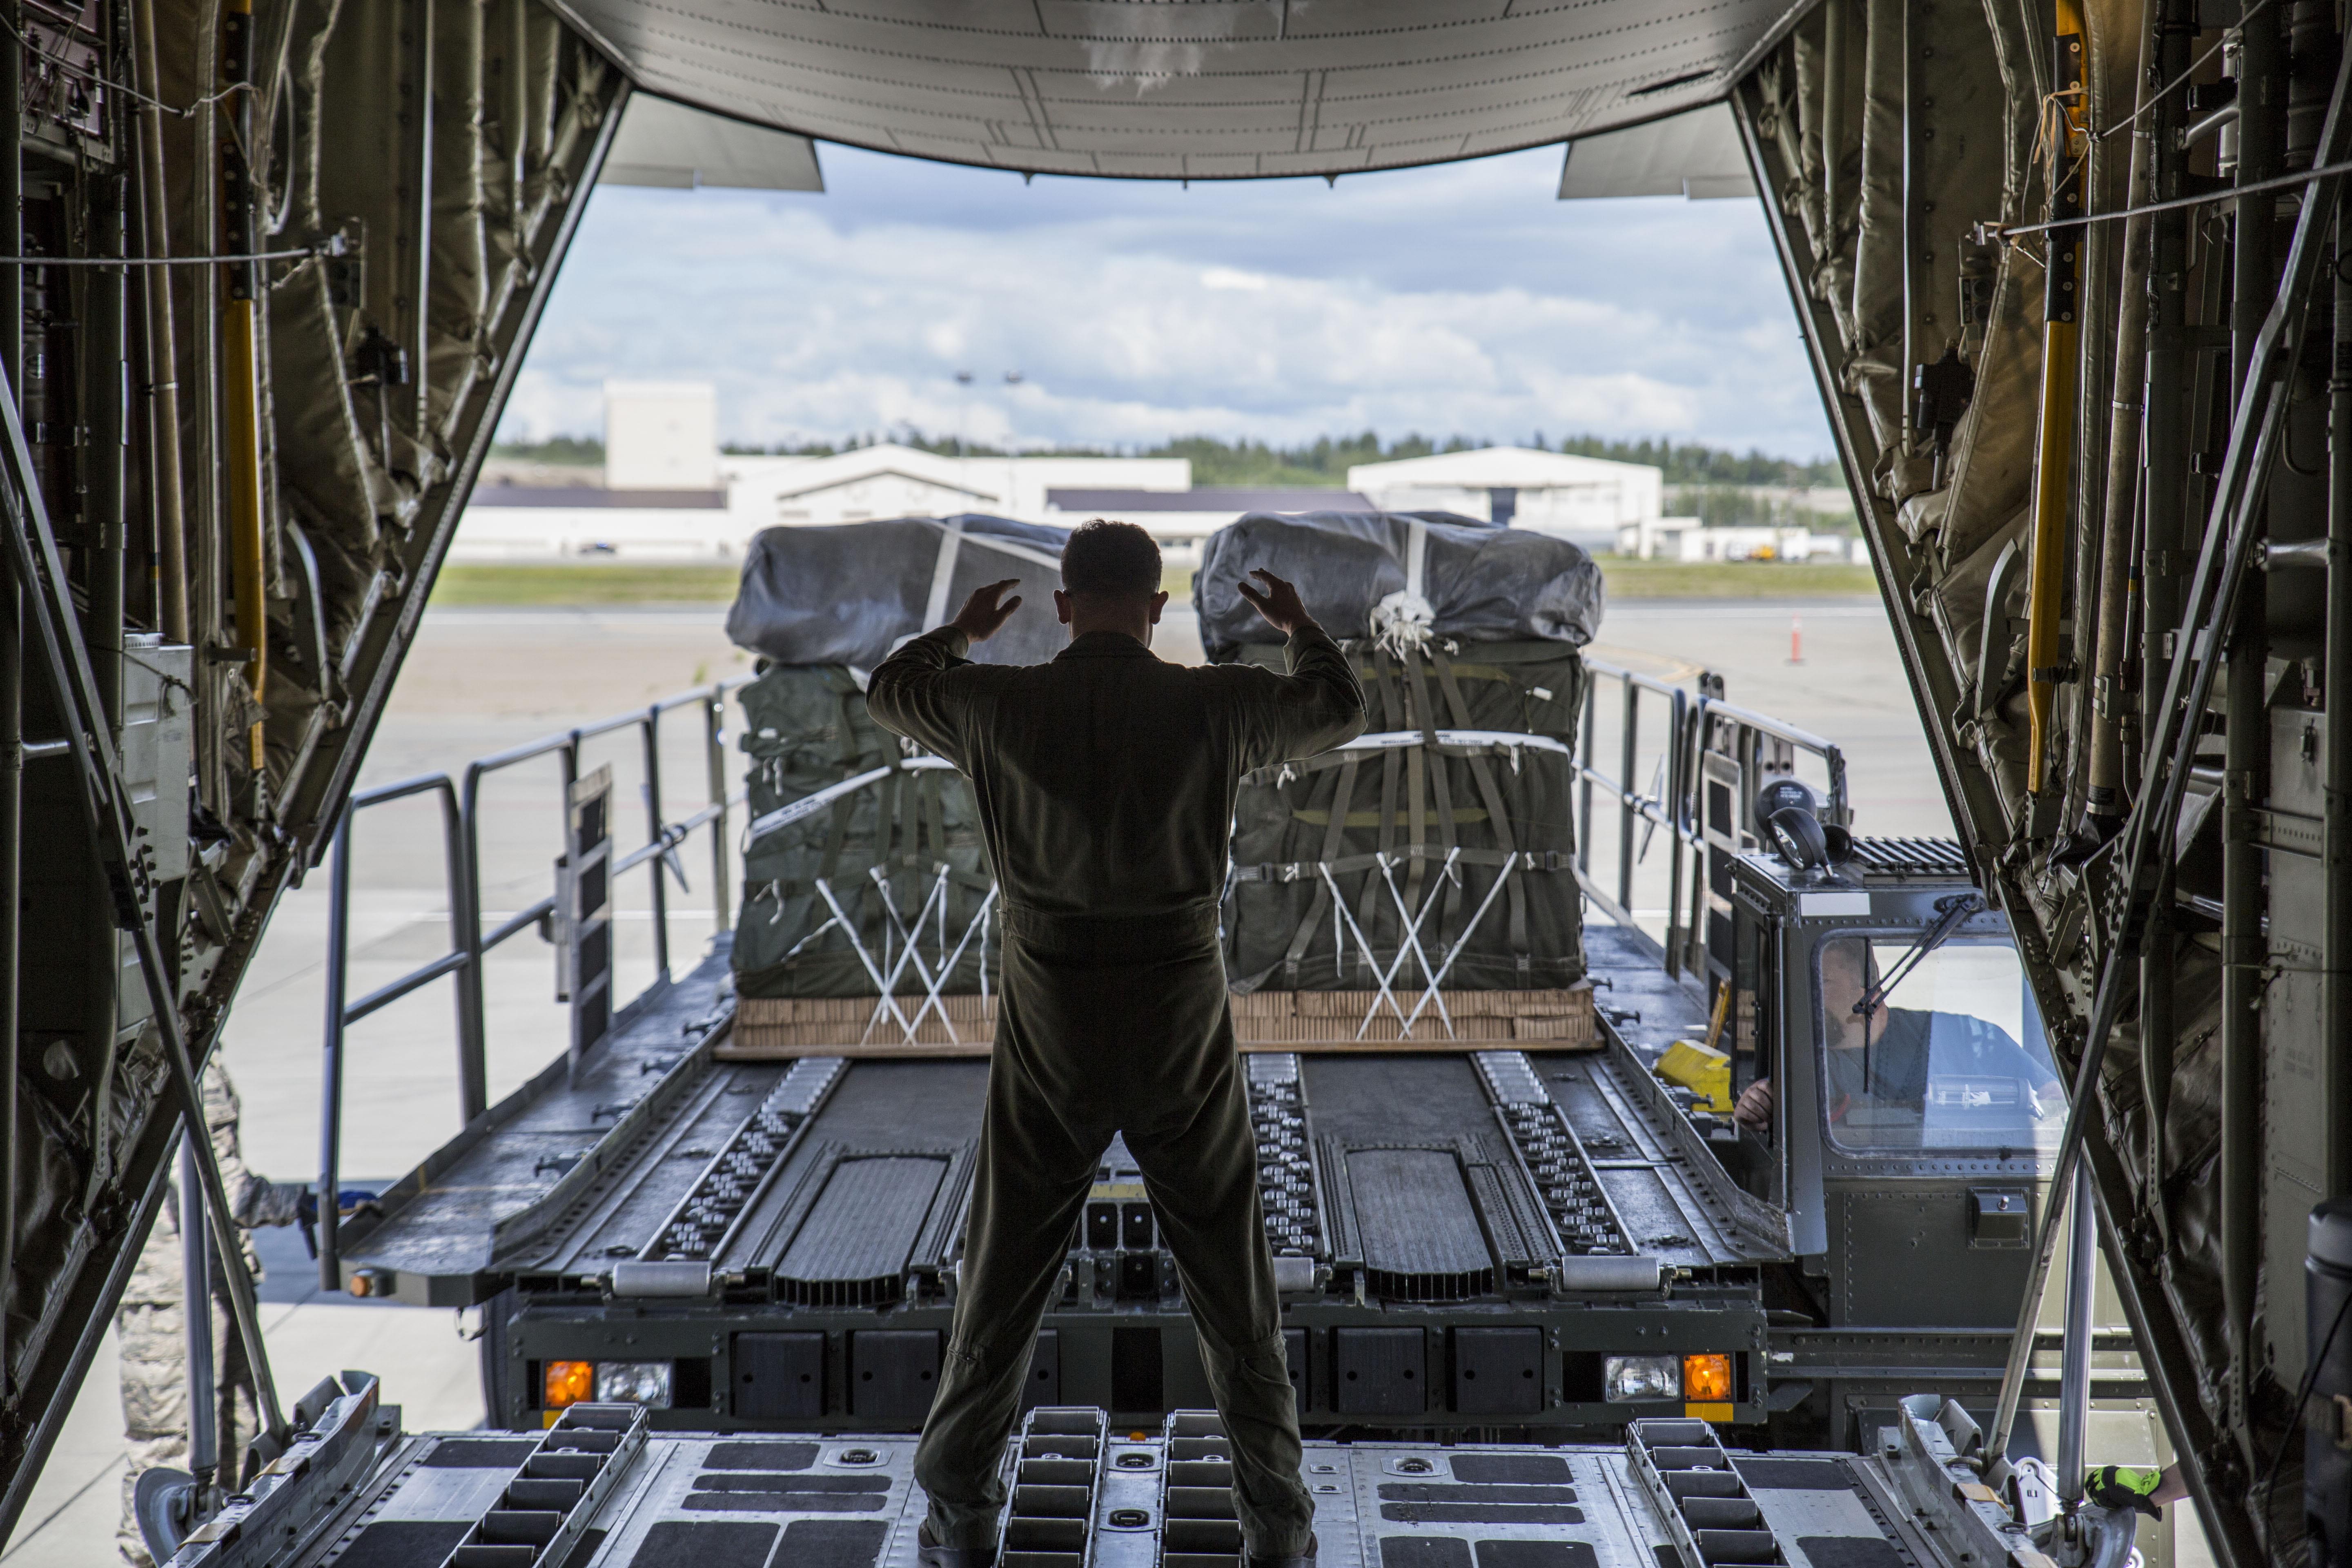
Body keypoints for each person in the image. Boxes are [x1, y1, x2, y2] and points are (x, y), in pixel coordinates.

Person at [866, 520, 1365, 1568]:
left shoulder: (998, 706)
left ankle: (960, 1512)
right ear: (1156, 607)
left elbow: (888, 690)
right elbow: (1334, 707)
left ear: (1059, 605)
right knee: (1231, 1279)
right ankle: (1276, 1526)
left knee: (1001, 1273)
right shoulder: (1210, 705)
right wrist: (1299, 628)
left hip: (1050, 1010)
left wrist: (956, 634)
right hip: (1178, 1006)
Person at [117, 1061, 365, 1567]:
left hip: (191, 1290)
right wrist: (303, 1203)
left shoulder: (153, 1057)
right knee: (169, 1459)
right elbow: (227, 1191)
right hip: (176, 1302)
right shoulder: (186, 1064)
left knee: (230, 1445)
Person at [1733, 937, 2058, 1131]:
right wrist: (1755, 1107)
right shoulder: (1805, 1061)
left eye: (1823, 982)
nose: (1808, 995)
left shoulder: (1964, 1037)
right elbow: (1769, 1115)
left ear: (1869, 993)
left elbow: (2054, 1098)